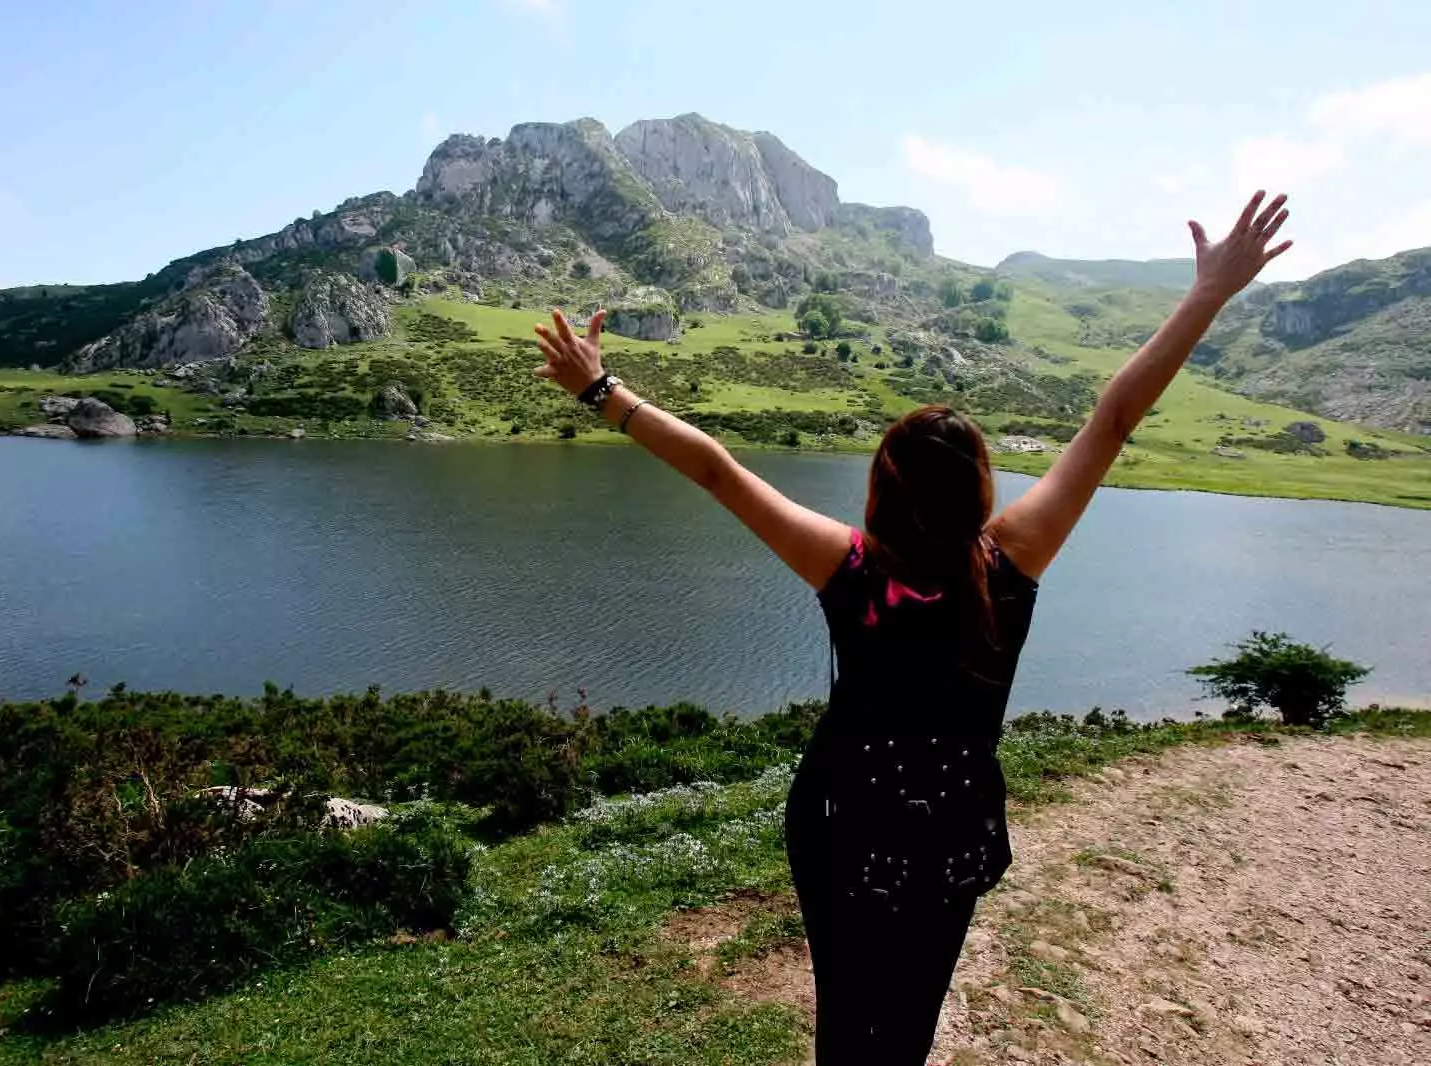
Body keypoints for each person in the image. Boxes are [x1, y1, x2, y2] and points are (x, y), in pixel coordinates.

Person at [533, 191, 1292, 1064]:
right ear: (978, 491)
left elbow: (717, 469)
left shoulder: (848, 568)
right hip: (952, 830)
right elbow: (1112, 420)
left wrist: (600, 389)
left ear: (882, 489)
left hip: (842, 821)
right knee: (913, 1012)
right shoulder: (1011, 562)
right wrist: (1206, 295)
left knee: (845, 1005)